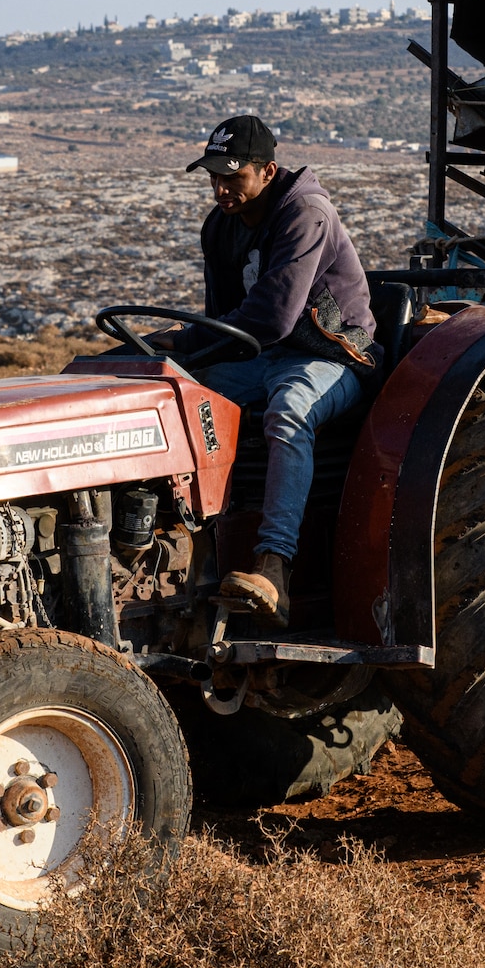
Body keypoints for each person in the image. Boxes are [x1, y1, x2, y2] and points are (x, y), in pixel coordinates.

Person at [175, 115, 377, 626]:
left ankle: (274, 567)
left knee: (290, 408)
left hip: (331, 355)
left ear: (267, 171)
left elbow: (272, 317)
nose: (221, 189)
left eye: (233, 176)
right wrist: (178, 352)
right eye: (214, 177)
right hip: (263, 356)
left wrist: (191, 339)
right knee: (181, 394)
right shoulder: (220, 226)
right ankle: (193, 556)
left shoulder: (305, 214)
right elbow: (222, 320)